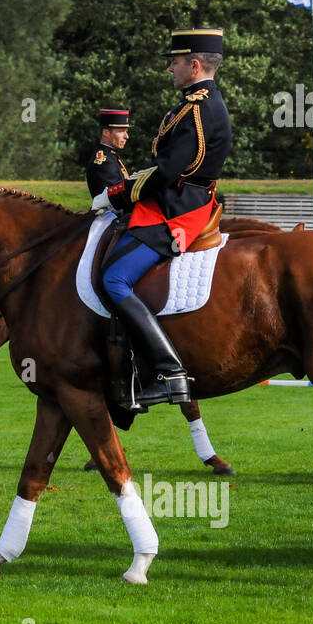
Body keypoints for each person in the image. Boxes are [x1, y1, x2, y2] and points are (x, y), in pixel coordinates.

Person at [91, 28, 232, 407]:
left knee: (115, 279)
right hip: (177, 200)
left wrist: (116, 193)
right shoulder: (196, 105)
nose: (171, 67)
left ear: (195, 64)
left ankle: (169, 372)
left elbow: (167, 172)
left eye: (176, 61)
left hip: (178, 209)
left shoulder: (199, 111)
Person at [85, 108, 131, 197]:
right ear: (106, 132)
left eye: (126, 131)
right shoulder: (104, 161)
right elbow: (115, 198)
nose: (126, 136)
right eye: (121, 131)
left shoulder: (111, 155)